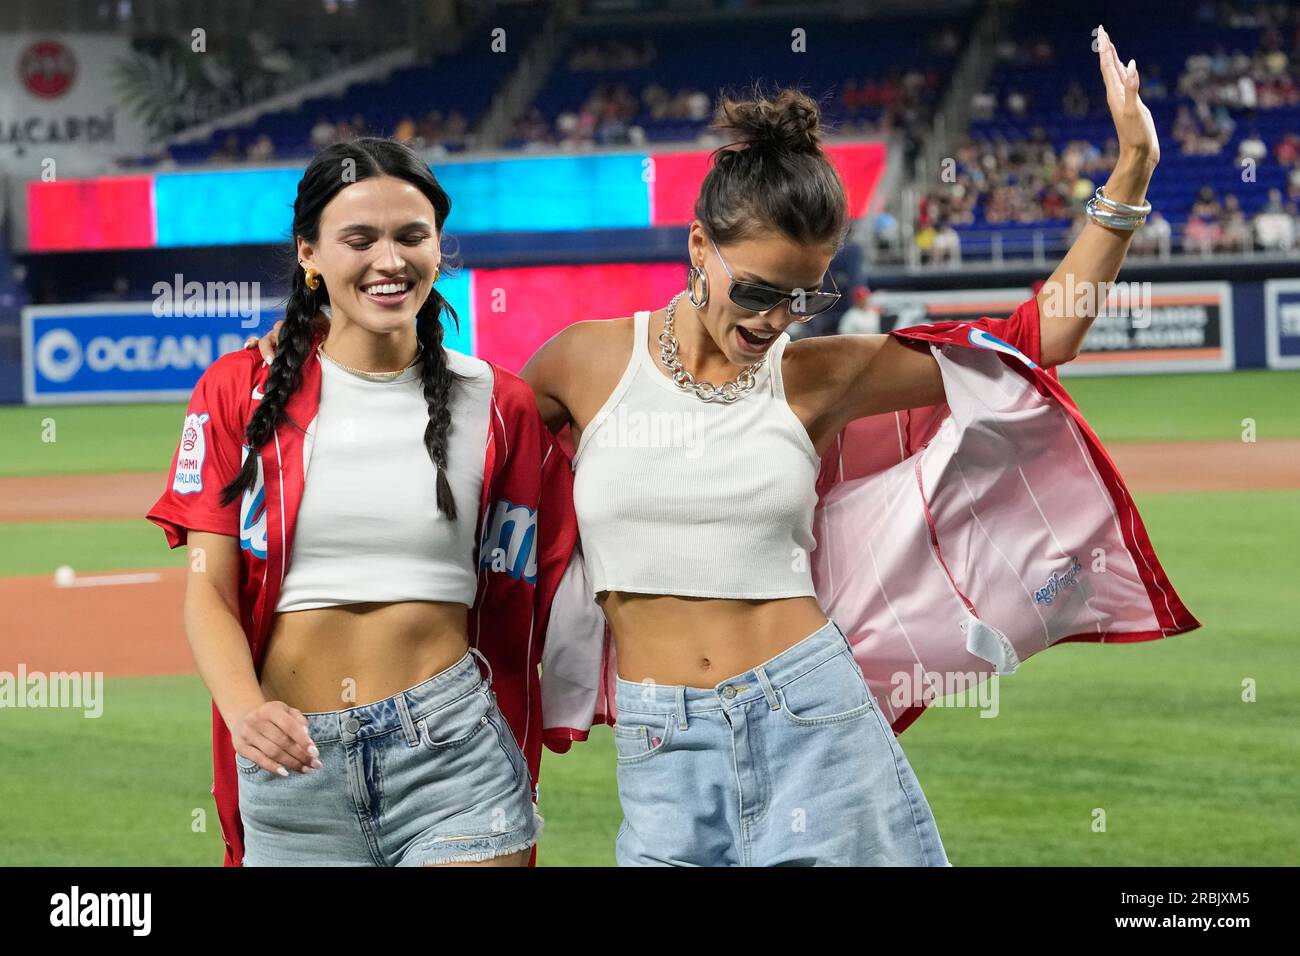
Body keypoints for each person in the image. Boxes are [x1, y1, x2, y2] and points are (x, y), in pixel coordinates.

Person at [522, 24, 1185, 866]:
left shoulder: (816, 377)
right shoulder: (582, 362)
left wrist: (1131, 174)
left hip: (812, 722)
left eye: (805, 297)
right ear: (699, 247)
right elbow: (475, 450)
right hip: (660, 752)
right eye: (757, 290)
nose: (775, 320)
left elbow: (1037, 335)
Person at [148, 137, 577, 867]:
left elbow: (558, 574)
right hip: (293, 763)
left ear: (440, 247)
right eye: (359, 239)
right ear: (309, 254)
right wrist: (245, 710)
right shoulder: (236, 393)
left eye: (412, 236)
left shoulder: (500, 405)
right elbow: (207, 591)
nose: (390, 260)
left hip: (453, 756)